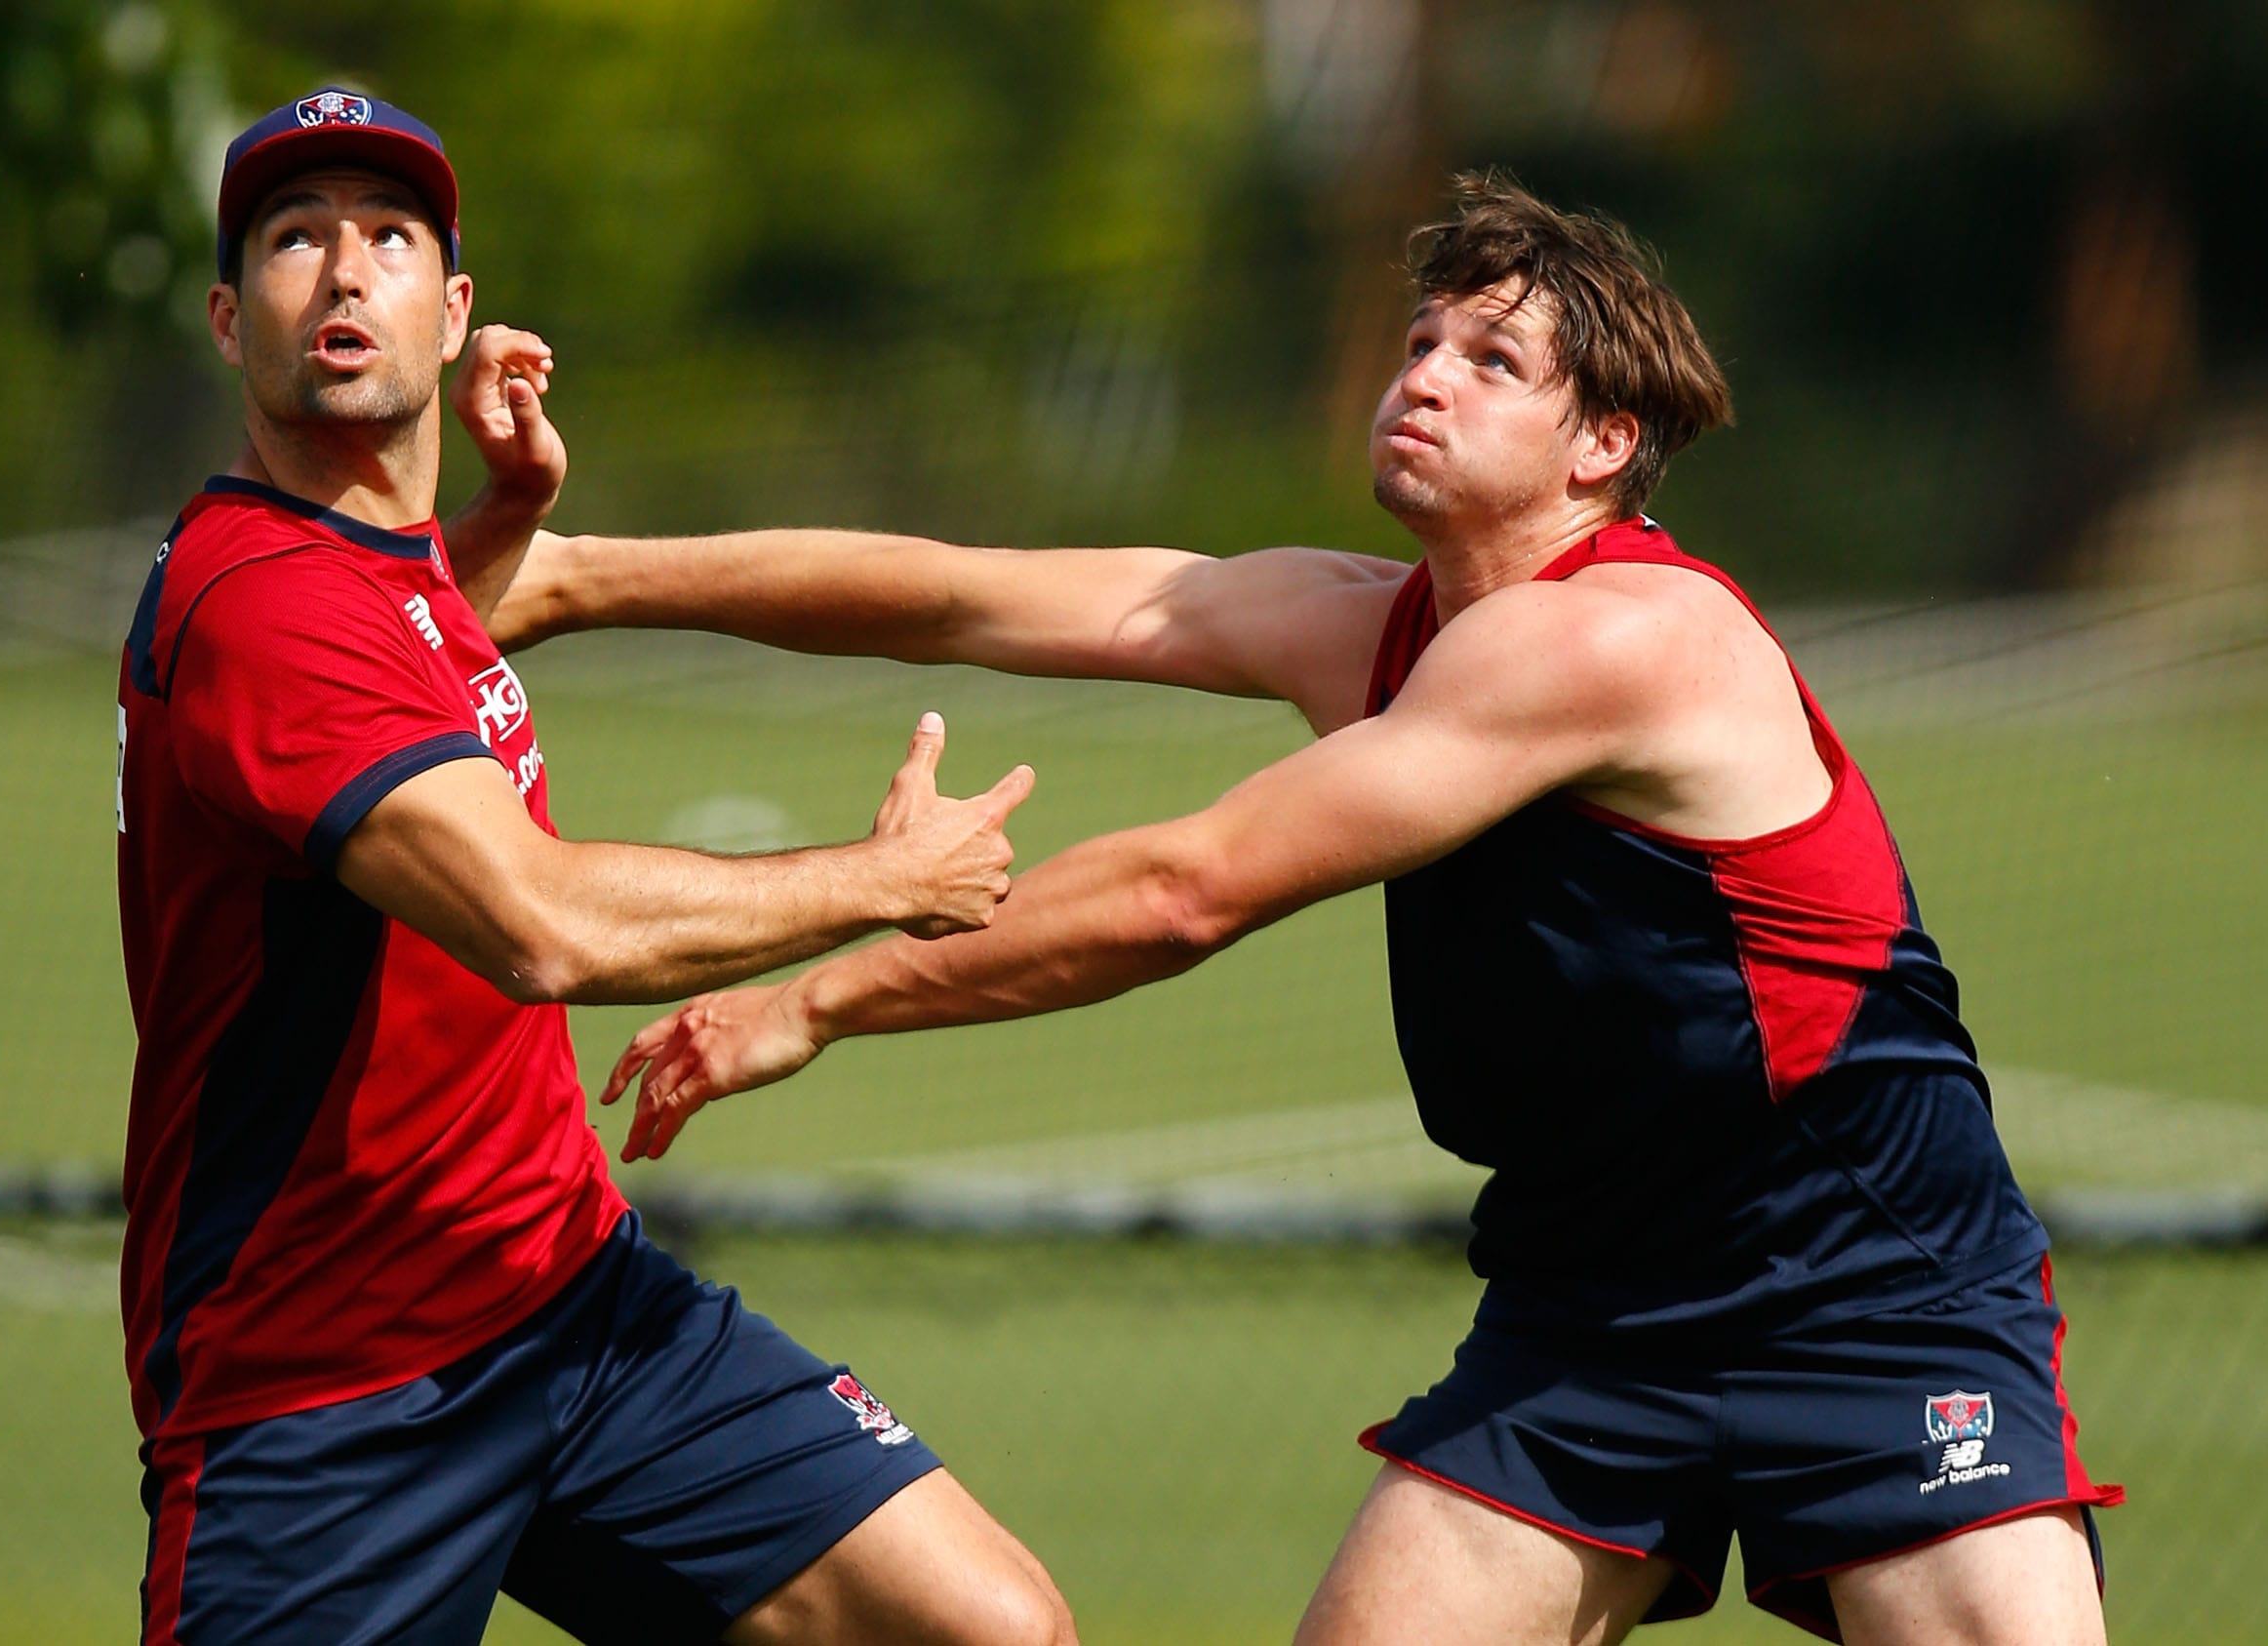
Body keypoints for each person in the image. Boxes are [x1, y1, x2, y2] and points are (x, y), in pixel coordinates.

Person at [494, 173, 2123, 1644]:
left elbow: (1184, 890)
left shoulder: (1622, 642)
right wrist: (582, 577)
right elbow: (959, 592)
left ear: (1602, 445)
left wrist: (814, 997)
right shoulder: (1359, 627)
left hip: (1872, 1293)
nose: (1421, 374)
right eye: (1419, 341)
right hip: (1594, 1312)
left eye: (1492, 362)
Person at [114, 88, 1076, 1646]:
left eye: (390, 237)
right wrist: (880, 875)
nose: (344, 271)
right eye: (295, 240)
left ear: (457, 314)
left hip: (570, 1302)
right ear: (232, 322)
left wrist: (506, 511)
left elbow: (470, 621)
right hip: (329, 1393)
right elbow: (538, 928)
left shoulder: (402, 564)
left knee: (988, 1630)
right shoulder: (266, 606)